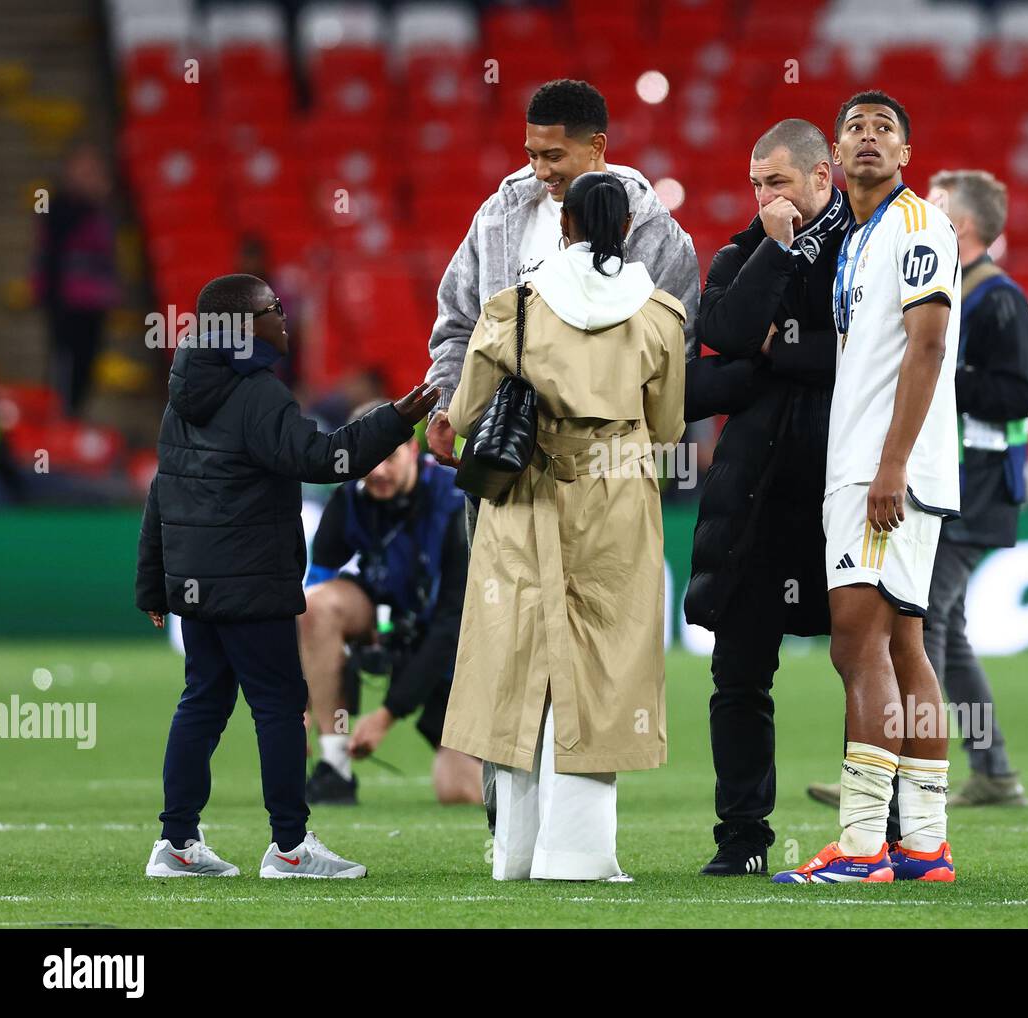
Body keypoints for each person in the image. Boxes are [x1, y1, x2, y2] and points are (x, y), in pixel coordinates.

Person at [423, 77, 700, 827]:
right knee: (505, 646)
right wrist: (452, 403)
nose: (539, 169)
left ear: (597, 149)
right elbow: (456, 325)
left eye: (554, 155)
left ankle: (569, 828)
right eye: (531, 153)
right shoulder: (498, 214)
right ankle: (507, 827)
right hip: (508, 469)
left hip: (602, 478)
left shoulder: (659, 236)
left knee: (598, 651)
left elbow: (675, 348)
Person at [135, 273, 438, 879]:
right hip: (252, 580)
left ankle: (176, 843)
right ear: (245, 326)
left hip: (197, 582)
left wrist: (152, 580)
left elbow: (163, 492)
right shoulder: (257, 394)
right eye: (273, 309)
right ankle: (291, 847)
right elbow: (326, 460)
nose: (284, 317)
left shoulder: (184, 395)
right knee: (278, 706)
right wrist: (397, 419)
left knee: (202, 702)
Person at [806, 168, 1028, 813]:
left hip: (973, 484)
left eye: (938, 204)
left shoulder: (998, 299)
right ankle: (986, 773)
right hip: (949, 480)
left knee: (908, 630)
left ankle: (887, 793)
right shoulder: (943, 284)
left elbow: (1020, 394)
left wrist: (940, 375)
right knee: (939, 630)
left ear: (958, 225)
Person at [773, 91, 960, 885]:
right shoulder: (862, 238)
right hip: (890, 464)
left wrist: (889, 464)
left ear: (907, 154)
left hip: (881, 469)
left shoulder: (917, 226)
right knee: (905, 643)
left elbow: (928, 344)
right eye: (856, 127)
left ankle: (858, 850)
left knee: (858, 646)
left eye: (887, 127)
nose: (870, 136)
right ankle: (923, 844)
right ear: (836, 158)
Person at [684, 119, 848, 876]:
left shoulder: (868, 247)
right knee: (739, 674)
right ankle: (742, 839)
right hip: (752, 498)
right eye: (756, 183)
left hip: (841, 496)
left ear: (824, 177)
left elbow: (870, 353)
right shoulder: (743, 252)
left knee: (865, 662)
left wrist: (777, 356)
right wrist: (776, 252)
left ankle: (875, 829)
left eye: (777, 182)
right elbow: (717, 338)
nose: (763, 197)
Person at [300, 417, 481, 806]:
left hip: (455, 653)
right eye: (369, 462)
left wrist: (386, 716)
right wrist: (297, 701)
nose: (378, 471)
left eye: (391, 458)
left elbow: (453, 624)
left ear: (413, 452)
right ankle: (335, 765)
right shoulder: (349, 499)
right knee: (318, 607)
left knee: (460, 790)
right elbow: (310, 596)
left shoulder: (453, 503)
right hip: (388, 625)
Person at [33, 142, 120, 415]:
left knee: (85, 371)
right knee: (65, 372)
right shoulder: (57, 205)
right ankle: (62, 422)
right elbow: (49, 250)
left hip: (95, 305)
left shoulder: (103, 212)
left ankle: (73, 420)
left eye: (94, 169)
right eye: (84, 168)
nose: (90, 175)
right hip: (66, 305)